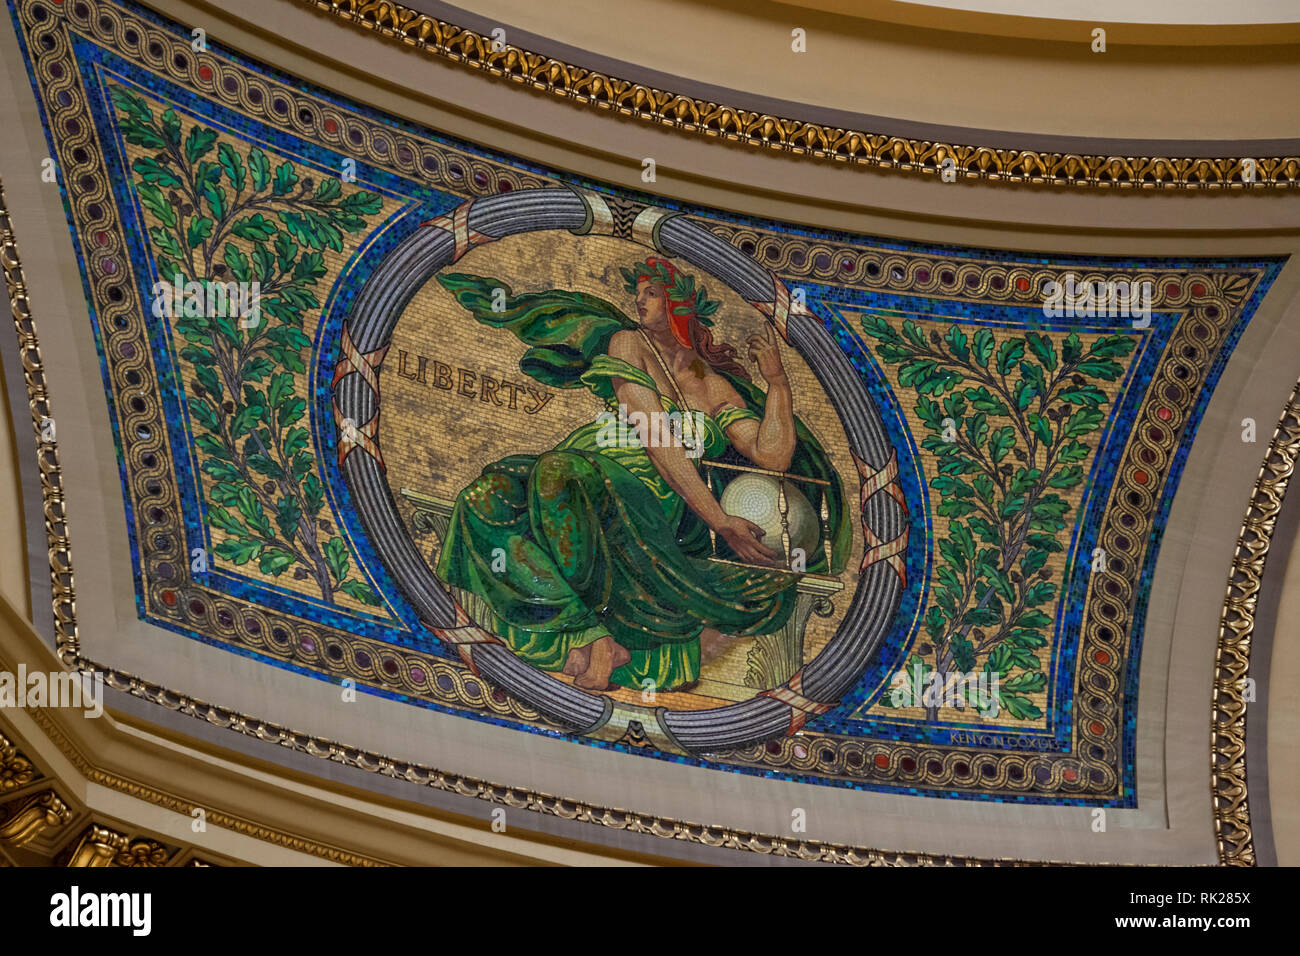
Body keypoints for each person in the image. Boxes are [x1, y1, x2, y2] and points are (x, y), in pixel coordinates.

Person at [434, 257, 848, 691]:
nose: (639, 300)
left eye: (652, 293)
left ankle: (593, 641)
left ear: (681, 306)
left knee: (557, 474)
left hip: (651, 494)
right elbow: (652, 432)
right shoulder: (629, 343)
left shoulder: (715, 386)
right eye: (639, 293)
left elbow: (773, 455)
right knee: (486, 494)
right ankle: (584, 631)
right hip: (588, 467)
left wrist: (779, 383)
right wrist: (720, 520)